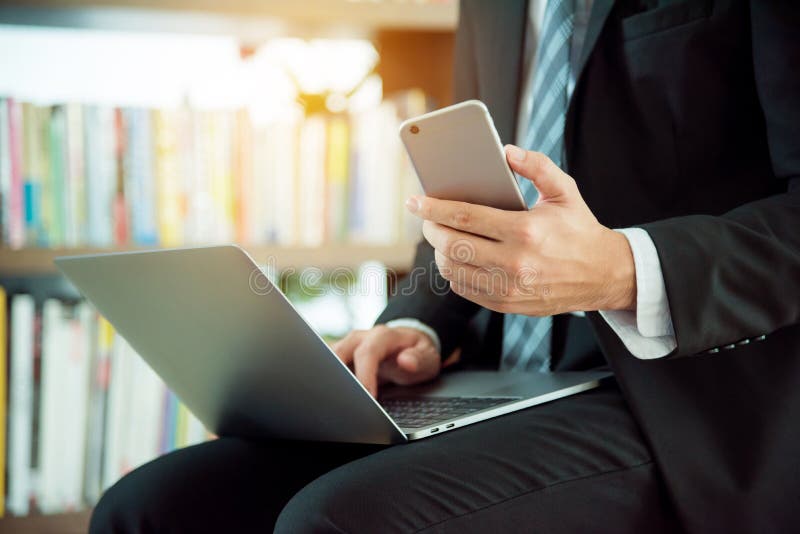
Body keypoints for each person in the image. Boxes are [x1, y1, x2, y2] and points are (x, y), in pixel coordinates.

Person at [91, 1, 800, 532]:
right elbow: (473, 202)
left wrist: (622, 269)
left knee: (335, 521)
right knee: (148, 510)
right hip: (503, 381)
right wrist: (416, 323)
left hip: (692, 399)